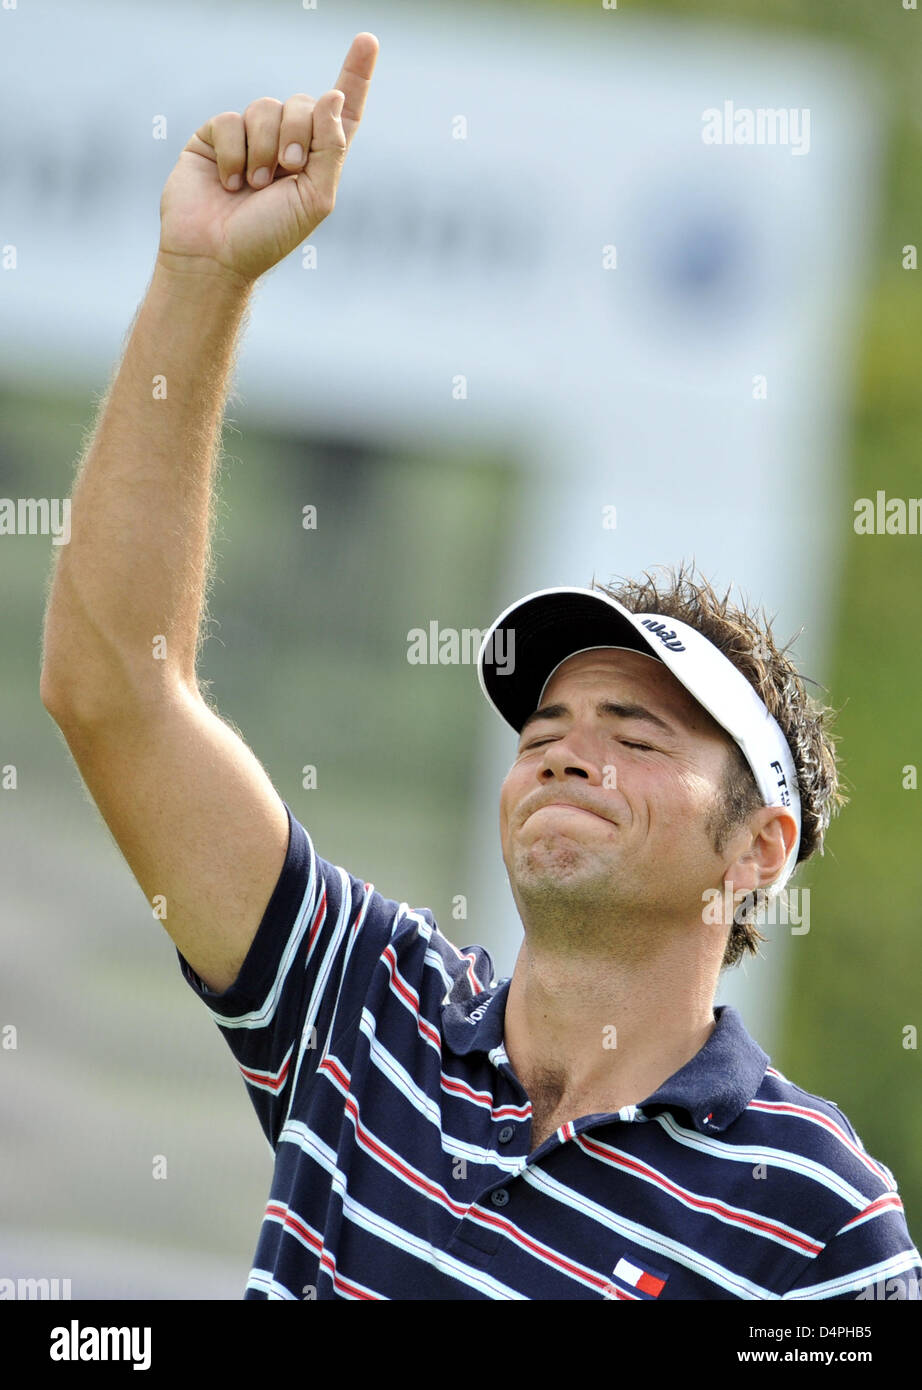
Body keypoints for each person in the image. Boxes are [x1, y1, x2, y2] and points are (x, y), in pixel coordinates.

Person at [40, 32, 919, 1301]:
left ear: (758, 849)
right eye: (549, 720)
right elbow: (117, 690)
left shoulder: (819, 1217)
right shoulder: (367, 1002)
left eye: (639, 732)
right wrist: (199, 276)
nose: (567, 745)